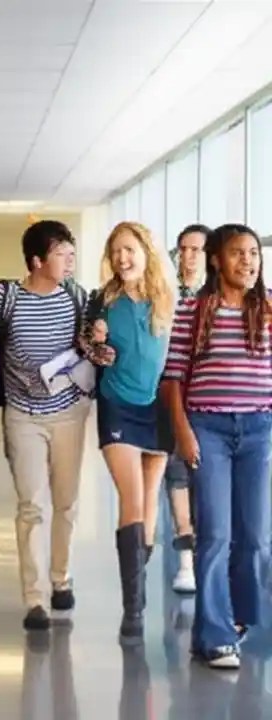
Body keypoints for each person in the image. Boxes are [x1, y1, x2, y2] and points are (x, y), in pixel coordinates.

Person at [161, 223, 272, 670]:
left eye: (254, 253)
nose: (248, 261)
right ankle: (214, 635)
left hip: (259, 430)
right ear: (216, 260)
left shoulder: (268, 308)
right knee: (216, 536)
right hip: (208, 429)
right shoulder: (194, 310)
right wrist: (183, 432)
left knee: (256, 538)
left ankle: (238, 618)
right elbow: (173, 379)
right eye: (237, 253)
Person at [0, 220, 91, 632]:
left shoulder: (76, 296)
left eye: (72, 253)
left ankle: (61, 578)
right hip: (23, 414)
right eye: (61, 254)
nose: (70, 261)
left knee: (66, 502)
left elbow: (91, 347)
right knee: (31, 505)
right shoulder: (5, 296)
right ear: (36, 261)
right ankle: (34, 598)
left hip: (69, 412)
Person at [80, 222, 175, 640]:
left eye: (129, 249)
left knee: (150, 500)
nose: (122, 258)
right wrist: (95, 344)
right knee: (132, 499)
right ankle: (133, 609)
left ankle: (137, 568)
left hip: (157, 407)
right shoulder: (102, 299)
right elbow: (88, 346)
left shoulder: (166, 299)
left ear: (145, 252)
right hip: (117, 404)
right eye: (116, 251)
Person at [157, 224, 207, 594]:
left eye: (195, 250)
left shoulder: (218, 296)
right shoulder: (165, 295)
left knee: (208, 478)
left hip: (210, 396)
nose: (187, 257)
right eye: (182, 249)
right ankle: (186, 561)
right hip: (170, 393)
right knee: (176, 475)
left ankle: (210, 556)